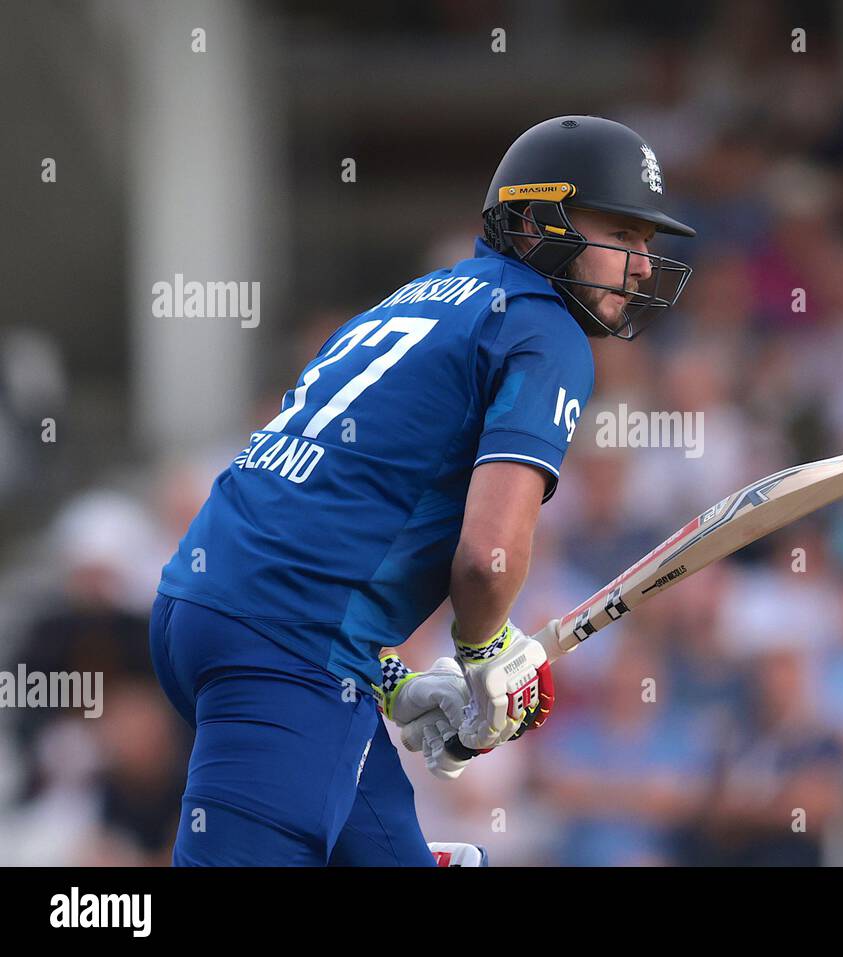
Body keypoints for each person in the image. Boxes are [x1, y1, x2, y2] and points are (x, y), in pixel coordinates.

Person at [148, 115, 696, 865]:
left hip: (209, 609)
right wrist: (485, 652)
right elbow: (487, 560)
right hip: (290, 645)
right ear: (538, 222)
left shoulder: (418, 296)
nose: (641, 264)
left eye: (647, 242)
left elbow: (324, 505)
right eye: (624, 234)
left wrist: (391, 678)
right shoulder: (545, 330)